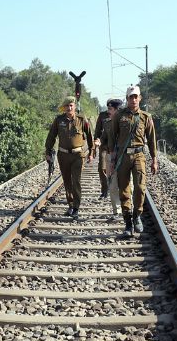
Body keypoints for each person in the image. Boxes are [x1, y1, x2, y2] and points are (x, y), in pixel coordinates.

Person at [104, 85, 158, 237]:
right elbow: (112, 138)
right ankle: (128, 222)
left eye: (136, 97)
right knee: (124, 189)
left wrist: (154, 160)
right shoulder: (119, 116)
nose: (133, 99)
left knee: (140, 188)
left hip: (139, 156)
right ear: (127, 99)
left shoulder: (146, 117)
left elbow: (152, 140)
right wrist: (112, 160)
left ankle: (137, 217)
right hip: (123, 157)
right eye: (130, 97)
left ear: (140, 98)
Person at [44, 95, 94, 217]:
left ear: (75, 106)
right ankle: (71, 205)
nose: (69, 108)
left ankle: (76, 207)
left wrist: (91, 152)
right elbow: (51, 136)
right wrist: (48, 151)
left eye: (71, 105)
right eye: (67, 106)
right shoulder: (59, 120)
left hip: (78, 155)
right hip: (63, 155)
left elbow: (90, 136)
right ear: (64, 108)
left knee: (76, 181)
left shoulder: (82, 120)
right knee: (67, 181)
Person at [94, 98, 122, 199]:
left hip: (116, 147)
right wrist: (96, 143)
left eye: (111, 107)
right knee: (102, 168)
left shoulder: (120, 116)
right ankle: (104, 191)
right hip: (104, 146)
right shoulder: (102, 115)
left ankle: (117, 190)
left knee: (117, 169)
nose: (109, 109)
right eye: (108, 107)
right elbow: (98, 130)